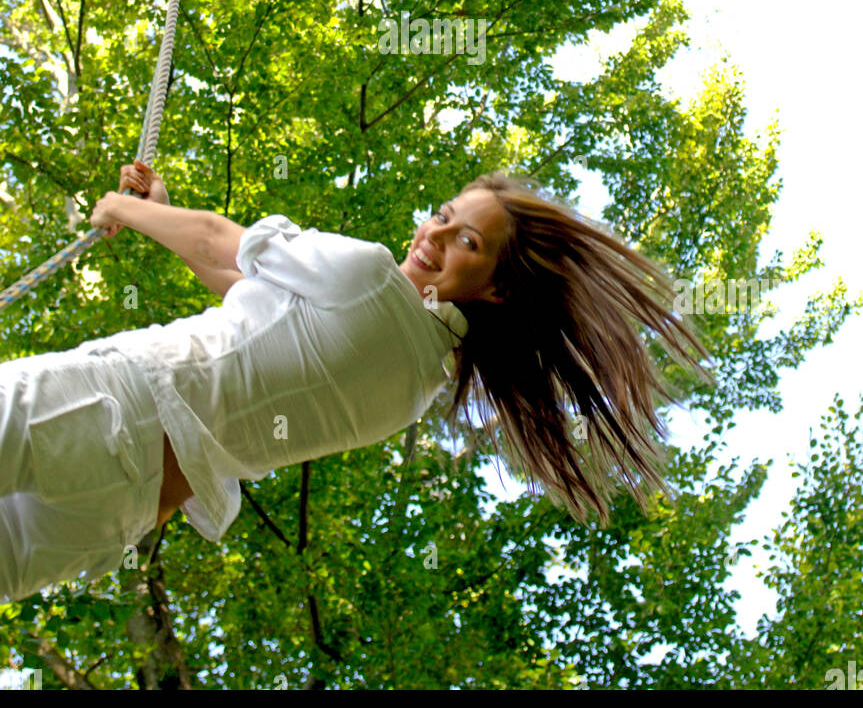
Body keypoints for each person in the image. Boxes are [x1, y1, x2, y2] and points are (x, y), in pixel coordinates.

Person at [0, 161, 709, 603]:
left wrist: (121, 209)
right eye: (444, 217)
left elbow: (220, 239)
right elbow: (246, 295)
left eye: (467, 242)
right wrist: (161, 208)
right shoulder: (412, 389)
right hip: (118, 511)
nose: (432, 236)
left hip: (105, 411)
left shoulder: (364, 275)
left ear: (494, 290)